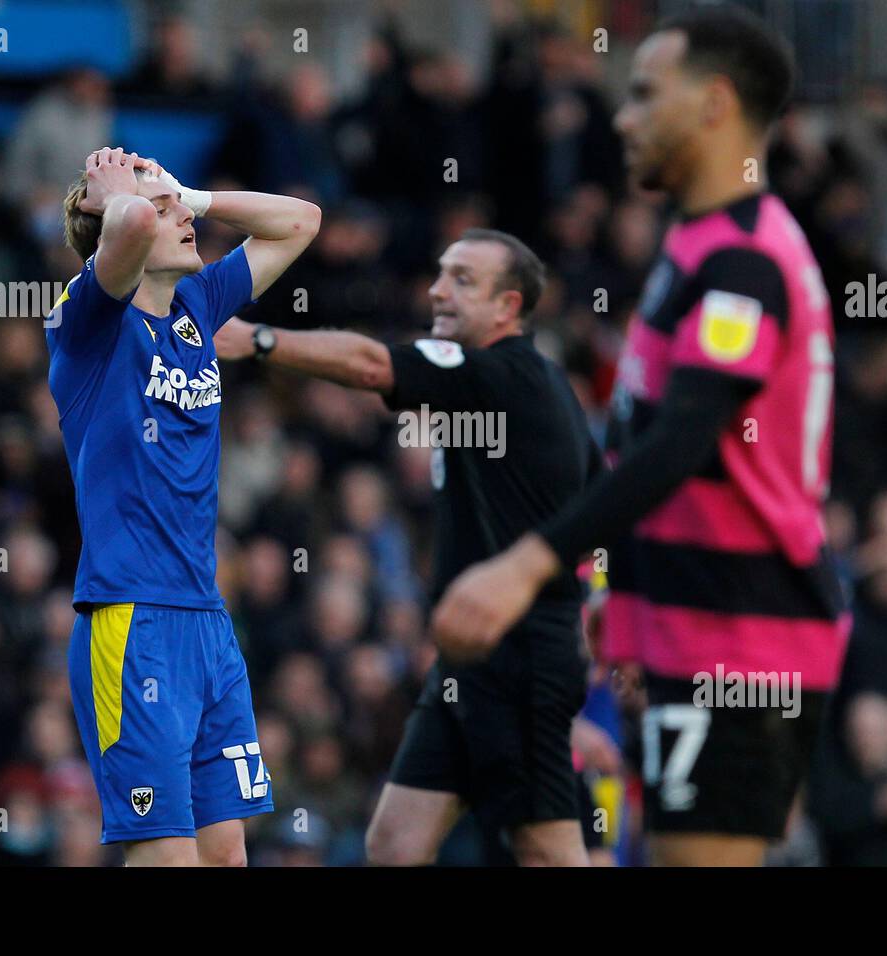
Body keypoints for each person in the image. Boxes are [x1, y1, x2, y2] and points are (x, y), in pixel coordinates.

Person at [430, 6, 851, 867]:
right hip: (686, 619)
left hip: (739, 629)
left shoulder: (745, 257)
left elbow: (683, 443)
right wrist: (610, 594)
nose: (622, 116)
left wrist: (527, 565)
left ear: (715, 106)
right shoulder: (696, 241)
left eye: (645, 94)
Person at [215, 229, 600, 865]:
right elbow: (597, 504)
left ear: (508, 307)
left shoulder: (506, 373)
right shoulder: (525, 387)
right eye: (441, 273)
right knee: (394, 842)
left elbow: (371, 366)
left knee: (547, 849)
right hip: (467, 662)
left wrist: (258, 339)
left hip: (519, 655)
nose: (437, 290)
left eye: (463, 281)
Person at [48, 146, 319, 865]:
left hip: (207, 622)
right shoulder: (87, 323)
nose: (179, 217)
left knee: (227, 857)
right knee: (167, 859)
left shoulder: (197, 303)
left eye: (174, 205)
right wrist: (121, 201)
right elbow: (130, 230)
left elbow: (300, 222)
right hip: (130, 619)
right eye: (160, 208)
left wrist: (191, 194)